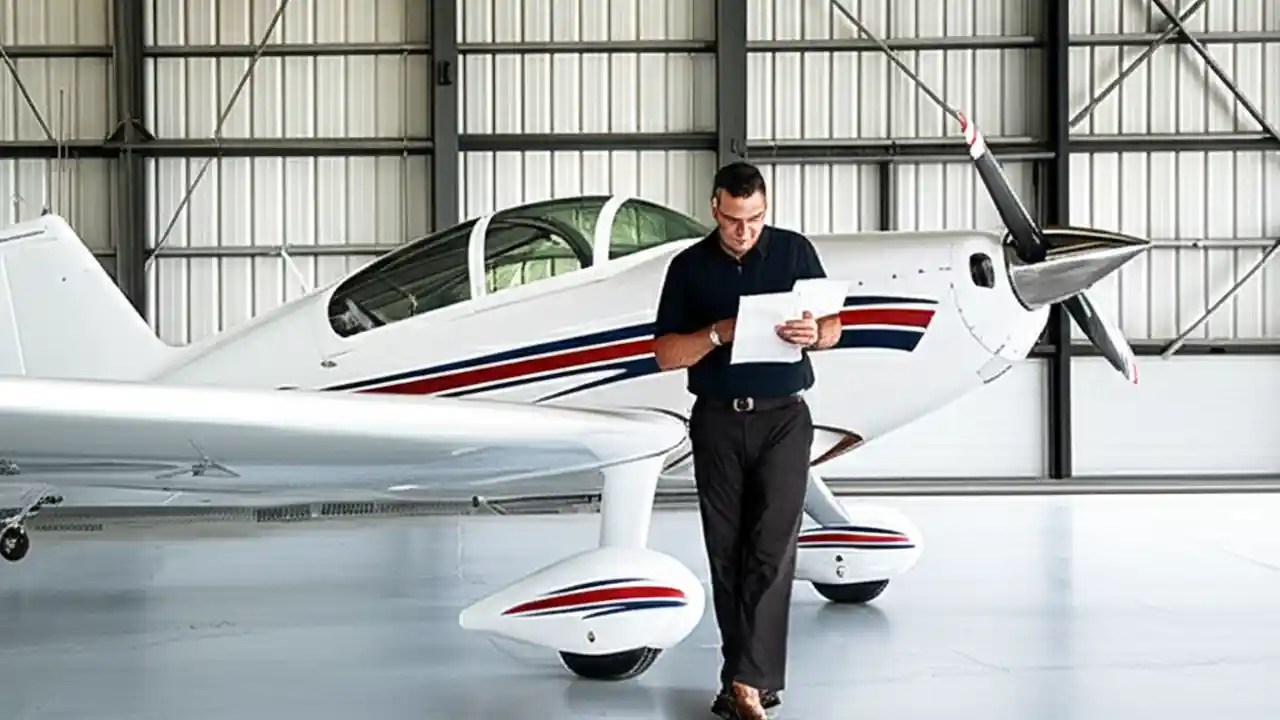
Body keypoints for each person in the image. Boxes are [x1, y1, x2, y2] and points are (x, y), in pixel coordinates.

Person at [651, 162, 842, 719]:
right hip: (716, 421)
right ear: (715, 207)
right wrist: (718, 333)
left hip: (785, 419)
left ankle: (748, 683)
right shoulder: (687, 268)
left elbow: (834, 325)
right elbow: (666, 354)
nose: (745, 231)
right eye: (735, 220)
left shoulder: (793, 252)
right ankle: (743, 684)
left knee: (772, 548)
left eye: (756, 219)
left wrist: (818, 335)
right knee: (727, 553)